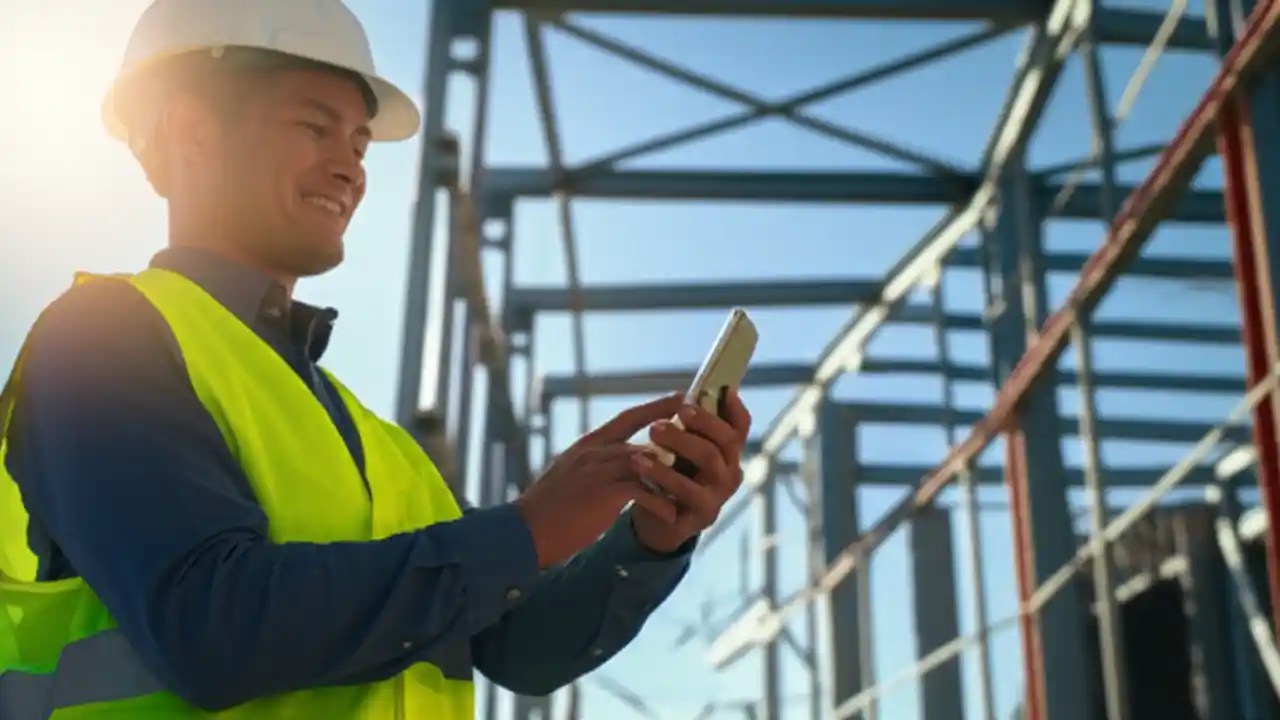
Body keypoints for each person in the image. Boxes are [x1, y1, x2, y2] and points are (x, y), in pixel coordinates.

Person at [0, 1, 752, 718]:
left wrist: (650, 537)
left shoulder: (377, 446)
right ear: (191, 133)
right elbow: (208, 626)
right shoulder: (101, 337)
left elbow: (515, 650)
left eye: (359, 144)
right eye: (314, 128)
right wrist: (527, 530)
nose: (350, 169)